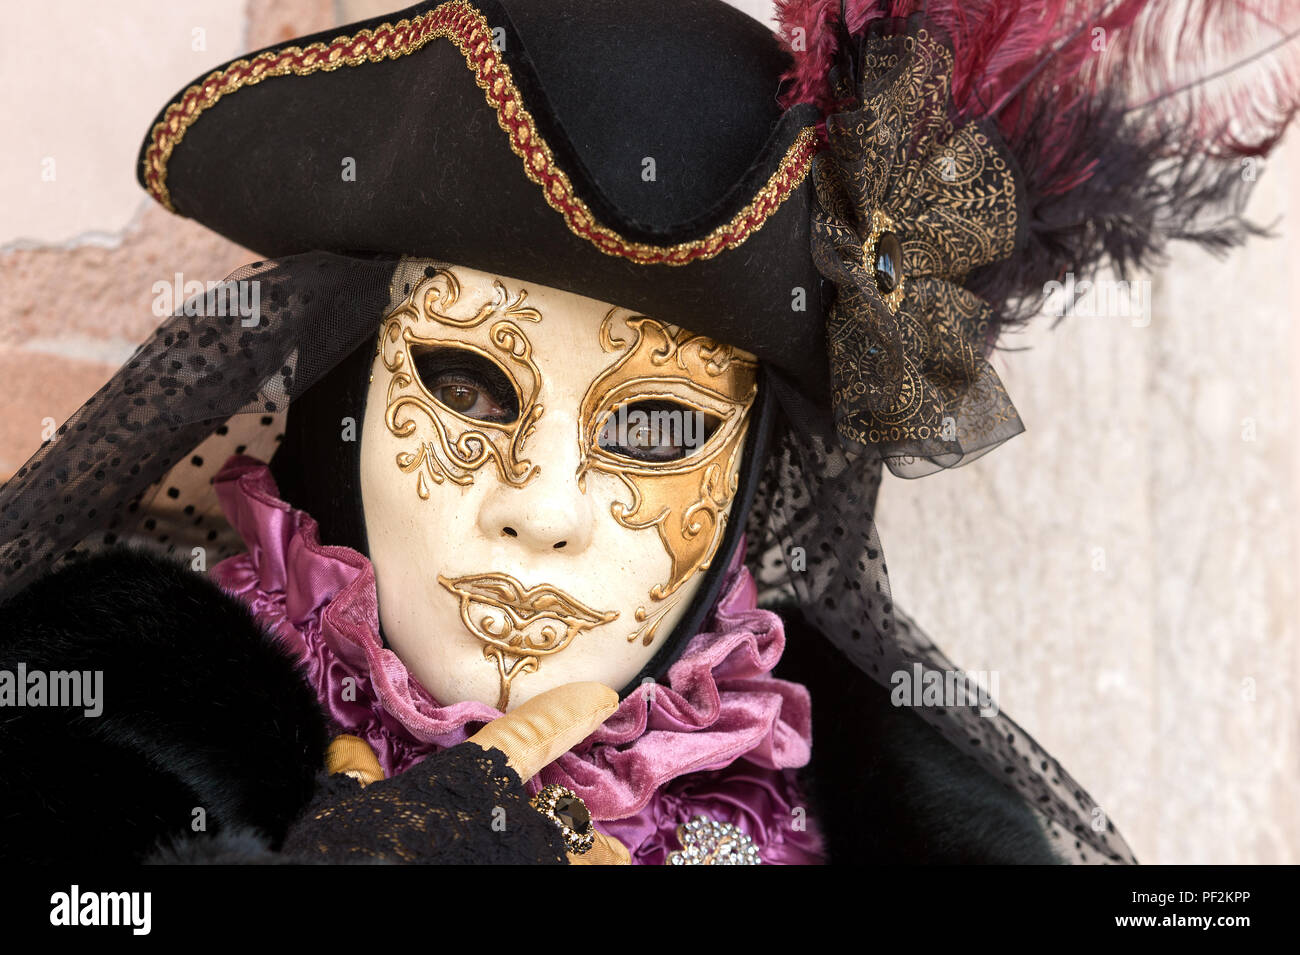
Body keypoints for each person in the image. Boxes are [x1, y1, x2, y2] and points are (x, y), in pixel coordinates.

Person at [1, 0, 1294, 864]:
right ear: (343, 406)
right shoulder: (92, 727)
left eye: (659, 423)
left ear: (747, 486)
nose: (542, 507)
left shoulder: (880, 812)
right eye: (466, 386)